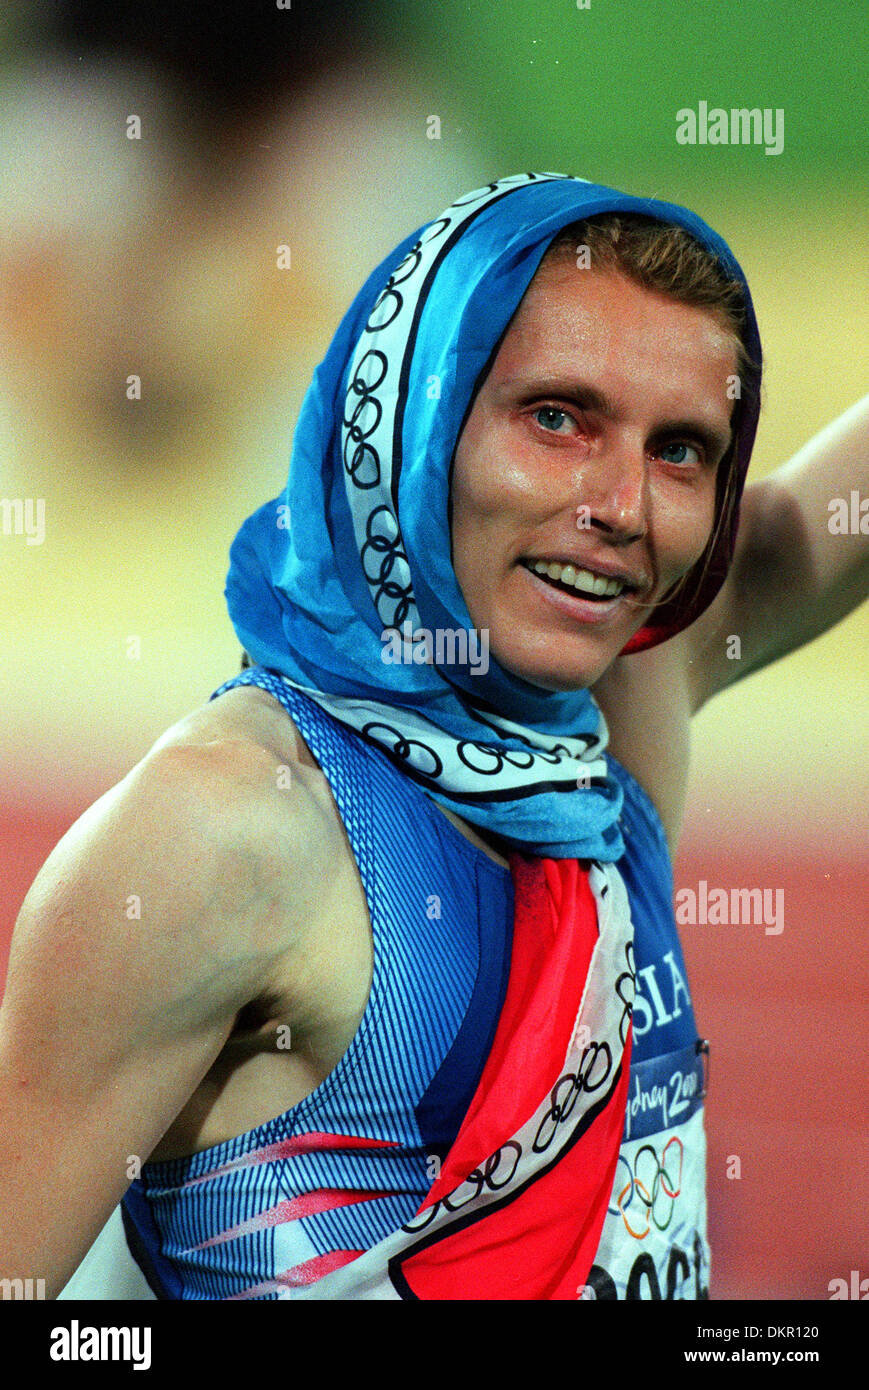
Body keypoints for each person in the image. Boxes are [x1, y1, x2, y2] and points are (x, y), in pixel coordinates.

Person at [1, 173, 866, 1301]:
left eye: (681, 451)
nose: (622, 509)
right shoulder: (227, 831)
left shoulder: (605, 723)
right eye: (556, 418)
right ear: (416, 422)